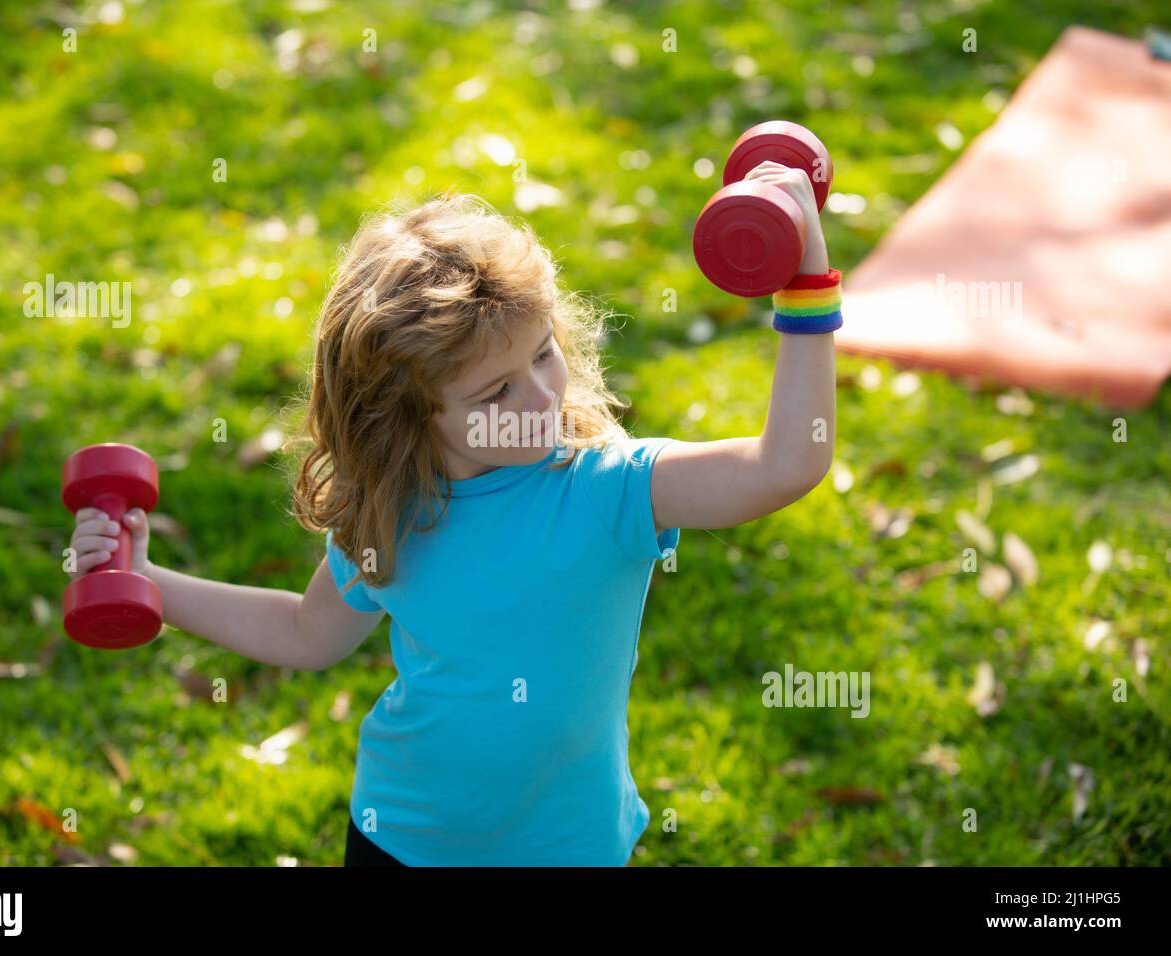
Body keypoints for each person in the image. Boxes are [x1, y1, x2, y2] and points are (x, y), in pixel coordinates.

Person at [67, 176, 840, 866]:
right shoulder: (391, 512)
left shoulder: (607, 489)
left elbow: (786, 465)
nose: (539, 399)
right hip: (400, 837)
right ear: (406, 416)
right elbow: (305, 635)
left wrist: (805, 282)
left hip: (567, 850)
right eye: (495, 393)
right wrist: (144, 579)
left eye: (543, 355)